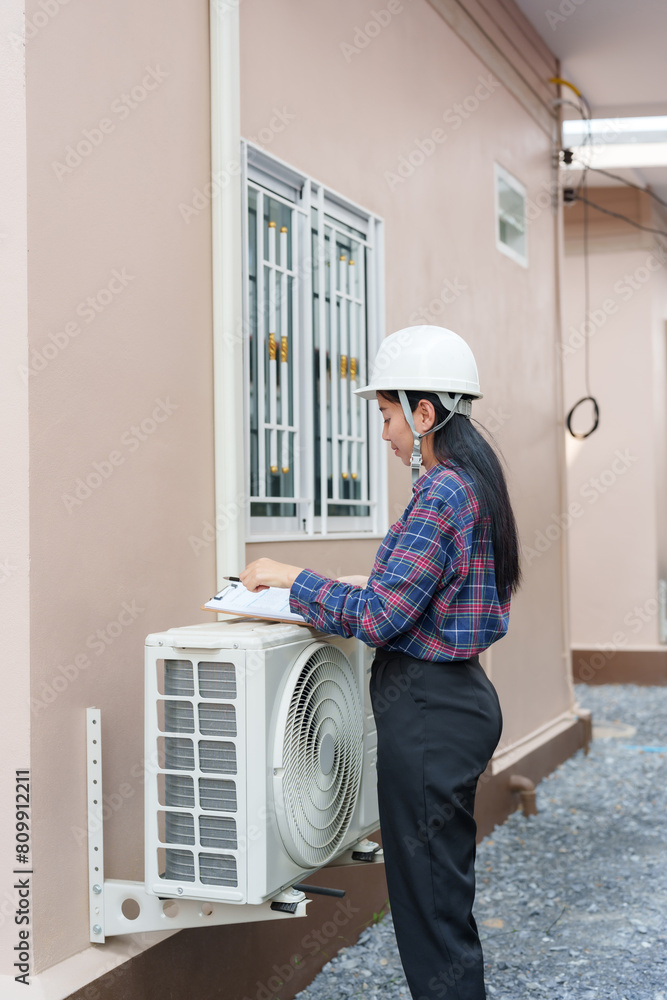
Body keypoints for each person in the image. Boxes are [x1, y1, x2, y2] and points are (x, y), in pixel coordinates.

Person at [240, 325, 521, 1000]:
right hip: (454, 703)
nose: (387, 432)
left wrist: (289, 577)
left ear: (425, 414)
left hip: (429, 713)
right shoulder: (470, 483)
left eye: (388, 414)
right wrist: (325, 586)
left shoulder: (442, 492)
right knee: (439, 898)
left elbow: (381, 617)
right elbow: (411, 597)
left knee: (428, 910)